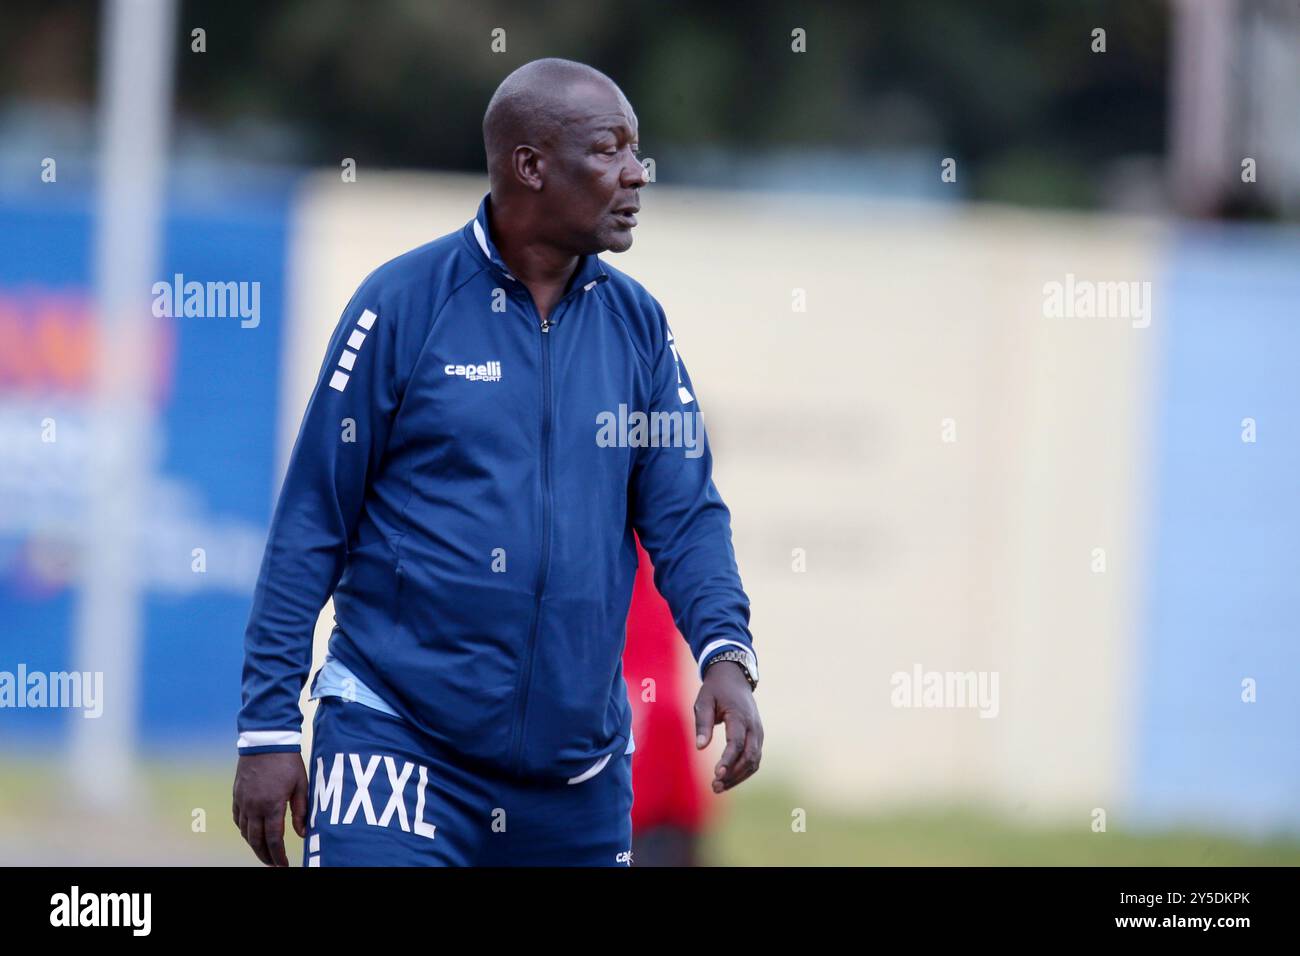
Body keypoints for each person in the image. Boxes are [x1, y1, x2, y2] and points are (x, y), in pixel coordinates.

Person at [231, 57, 762, 867]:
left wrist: (725, 651)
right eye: (610, 149)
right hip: (396, 742)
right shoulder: (402, 304)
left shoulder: (639, 329)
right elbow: (313, 518)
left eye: (638, 149)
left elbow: (686, 514)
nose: (637, 173)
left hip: (574, 778)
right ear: (531, 166)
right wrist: (268, 724)